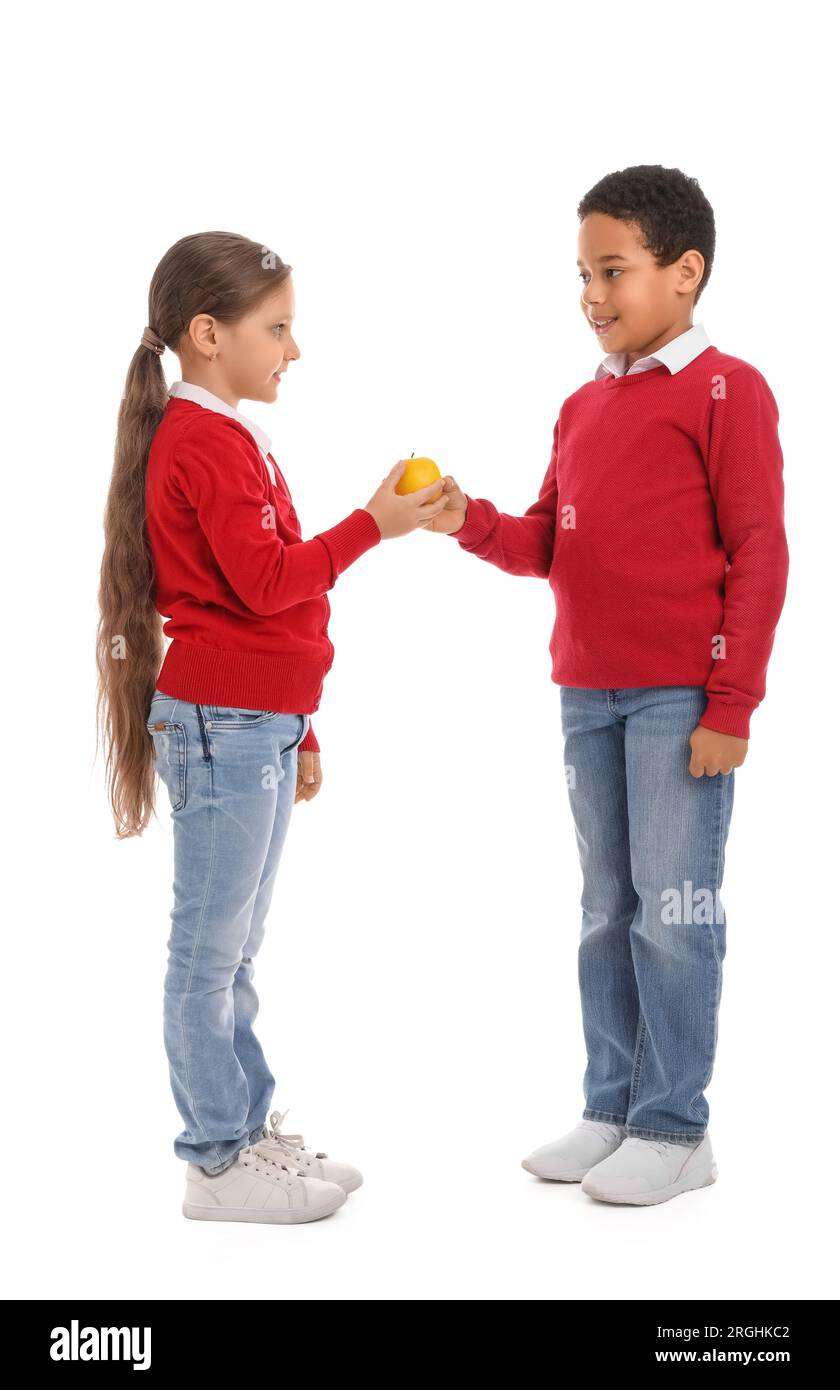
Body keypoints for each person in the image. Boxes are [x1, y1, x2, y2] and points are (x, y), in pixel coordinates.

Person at [423, 165, 790, 1206]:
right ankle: (614, 1106)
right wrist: (468, 520)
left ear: (686, 273)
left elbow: (760, 552)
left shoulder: (730, 390)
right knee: (607, 909)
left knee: (675, 911)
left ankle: (677, 1127)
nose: (591, 294)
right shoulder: (582, 404)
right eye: (582, 273)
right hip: (587, 693)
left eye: (613, 271)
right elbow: (548, 540)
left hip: (680, 699)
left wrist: (732, 704)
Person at [95, 230, 455, 1224]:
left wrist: (302, 726)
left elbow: (270, 611)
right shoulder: (203, 441)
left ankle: (244, 1133)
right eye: (280, 328)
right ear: (209, 335)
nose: (294, 350)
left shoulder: (226, 435)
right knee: (208, 951)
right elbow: (265, 585)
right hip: (222, 725)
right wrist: (371, 524)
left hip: (253, 723)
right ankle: (215, 1160)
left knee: (238, 944)